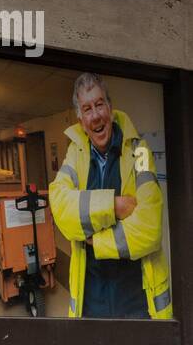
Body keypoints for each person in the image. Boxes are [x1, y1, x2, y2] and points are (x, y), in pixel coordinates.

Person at [48, 73, 171, 319]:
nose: (95, 115)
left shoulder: (141, 151)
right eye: (87, 109)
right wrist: (113, 206)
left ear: (110, 107)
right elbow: (60, 206)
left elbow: (150, 227)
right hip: (91, 298)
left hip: (136, 297)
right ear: (81, 120)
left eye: (99, 104)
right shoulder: (75, 152)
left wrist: (94, 241)